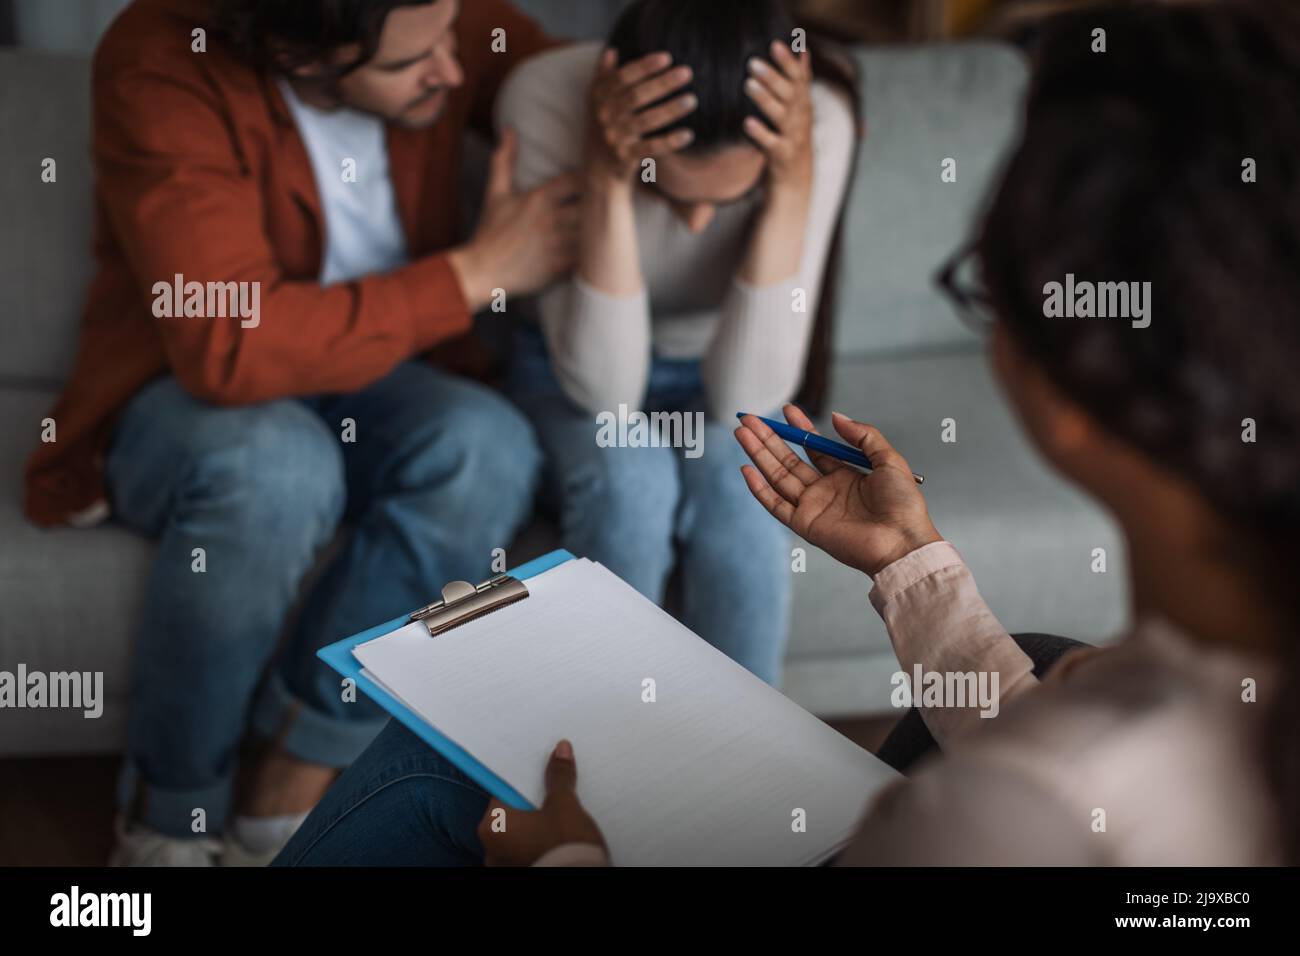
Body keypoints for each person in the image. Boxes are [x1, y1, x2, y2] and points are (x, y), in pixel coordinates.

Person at [275, 0, 1297, 866]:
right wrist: (910, 561)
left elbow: (749, 392)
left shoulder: (1008, 816)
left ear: (1068, 394)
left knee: (442, 759)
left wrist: (565, 854)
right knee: (1035, 649)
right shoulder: (1158, 733)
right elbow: (606, 386)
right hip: (607, 373)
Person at [22, 0, 574, 866]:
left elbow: (581, 76)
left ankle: (301, 768)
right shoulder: (162, 57)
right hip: (182, 392)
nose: (455, 73)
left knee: (486, 444)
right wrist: (476, 273)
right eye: (411, 67)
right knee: (276, 467)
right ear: (294, 51)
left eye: (450, 39)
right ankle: (170, 817)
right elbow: (226, 341)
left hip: (388, 376)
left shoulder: (422, 19)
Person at [496, 0, 860, 684]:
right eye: (664, 192)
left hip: (719, 372)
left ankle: (745, 763)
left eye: (726, 202)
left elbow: (747, 400)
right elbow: (605, 393)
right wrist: (606, 178)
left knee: (749, 482)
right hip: (570, 367)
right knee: (629, 478)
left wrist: (791, 187)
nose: (696, 223)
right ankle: (605, 750)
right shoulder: (544, 97)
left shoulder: (818, 122)